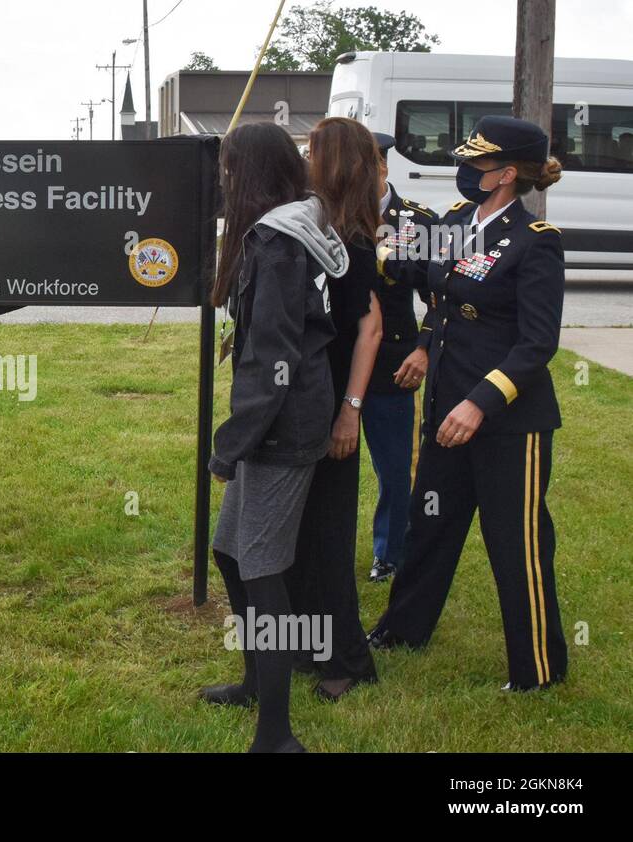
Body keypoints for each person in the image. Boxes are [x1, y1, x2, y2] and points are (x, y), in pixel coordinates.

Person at [369, 115, 568, 691]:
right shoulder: (456, 222)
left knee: (516, 540)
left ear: (506, 175)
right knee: (430, 523)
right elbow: (440, 294)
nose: (463, 171)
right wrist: (427, 344)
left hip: (507, 419)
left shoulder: (537, 244)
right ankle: (402, 629)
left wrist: (481, 403)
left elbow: (538, 345)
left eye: (476, 163)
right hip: (446, 407)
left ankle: (538, 669)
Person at [202, 122, 345, 752]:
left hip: (282, 429)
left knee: (262, 573)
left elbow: (273, 359)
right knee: (230, 554)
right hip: (279, 421)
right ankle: (256, 685)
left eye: (231, 168)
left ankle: (278, 735)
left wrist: (232, 442)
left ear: (251, 173)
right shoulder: (287, 226)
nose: (224, 179)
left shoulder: (280, 242)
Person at [284, 116, 383, 701]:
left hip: (335, 401)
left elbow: (368, 331)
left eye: (312, 149)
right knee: (298, 534)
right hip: (309, 396)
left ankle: (347, 661)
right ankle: (303, 646)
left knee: (327, 535)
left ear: (334, 160)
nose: (304, 156)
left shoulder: (356, 238)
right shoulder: (317, 223)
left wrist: (350, 411)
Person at [362, 132, 441, 583]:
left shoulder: (417, 222)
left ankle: (389, 553)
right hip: (333, 358)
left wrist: (424, 349)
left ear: (382, 169)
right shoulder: (327, 214)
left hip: (393, 357)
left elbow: (439, 297)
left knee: (393, 465)